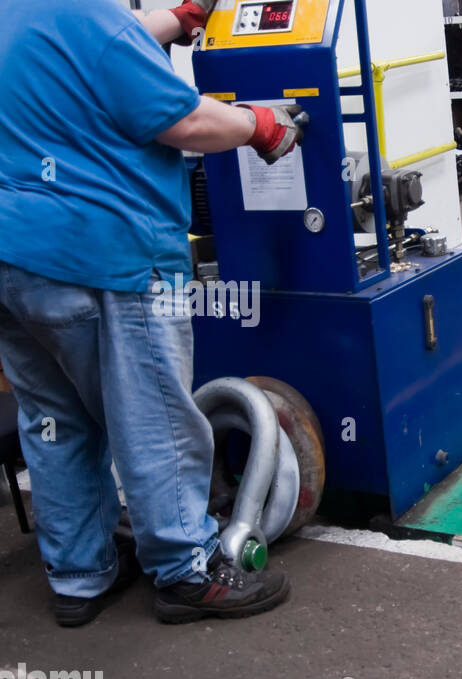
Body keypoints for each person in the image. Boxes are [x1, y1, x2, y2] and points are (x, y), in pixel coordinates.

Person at [0, 0, 304, 626]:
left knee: (55, 420)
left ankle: (79, 576)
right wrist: (260, 125)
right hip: (110, 257)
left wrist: (181, 17)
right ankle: (187, 569)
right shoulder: (83, 15)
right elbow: (190, 123)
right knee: (153, 416)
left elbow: (94, 48)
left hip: (15, 264)